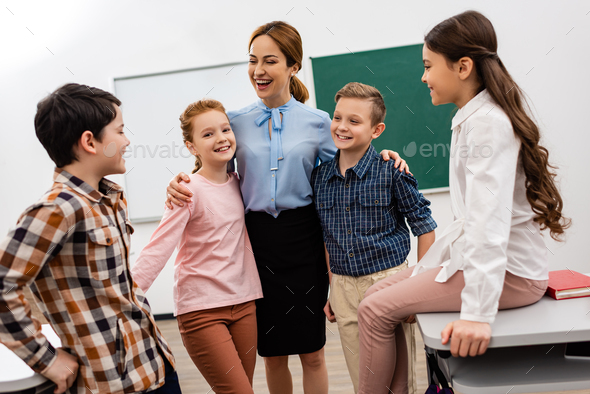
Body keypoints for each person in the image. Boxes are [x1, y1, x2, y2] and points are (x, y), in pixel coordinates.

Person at [164, 21, 409, 394]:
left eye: (270, 61)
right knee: (273, 354)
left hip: (305, 241)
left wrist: (386, 157)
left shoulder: (319, 123)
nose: (258, 70)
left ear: (292, 66)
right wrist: (180, 181)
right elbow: (213, 168)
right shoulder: (236, 122)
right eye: (252, 61)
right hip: (256, 245)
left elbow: (347, 165)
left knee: (312, 352)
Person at [356, 10, 571, 394]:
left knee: (374, 309)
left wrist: (477, 315)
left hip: (512, 275)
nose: (423, 77)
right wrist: (425, 269)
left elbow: (488, 224)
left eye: (427, 66)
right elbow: (470, 223)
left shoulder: (488, 122)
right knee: (375, 297)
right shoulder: (472, 117)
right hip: (484, 261)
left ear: (463, 67)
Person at [0, 83, 181, 394]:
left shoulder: (108, 199)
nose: (126, 142)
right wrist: (45, 359)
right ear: (89, 142)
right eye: (120, 131)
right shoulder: (58, 209)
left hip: (153, 365)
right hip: (112, 384)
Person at [311, 82, 437, 394]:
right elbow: (328, 238)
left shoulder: (391, 170)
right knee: (365, 384)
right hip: (342, 288)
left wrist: (416, 288)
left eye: (354, 121)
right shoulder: (319, 178)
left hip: (388, 282)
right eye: (338, 117)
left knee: (399, 384)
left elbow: (426, 228)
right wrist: (331, 289)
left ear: (376, 129)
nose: (342, 127)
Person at [131, 99, 263, 394]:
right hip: (202, 310)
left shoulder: (243, 183)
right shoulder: (187, 190)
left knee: (243, 388)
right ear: (191, 147)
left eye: (225, 129)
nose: (221, 138)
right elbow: (158, 248)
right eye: (207, 134)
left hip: (244, 304)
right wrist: (124, 296)